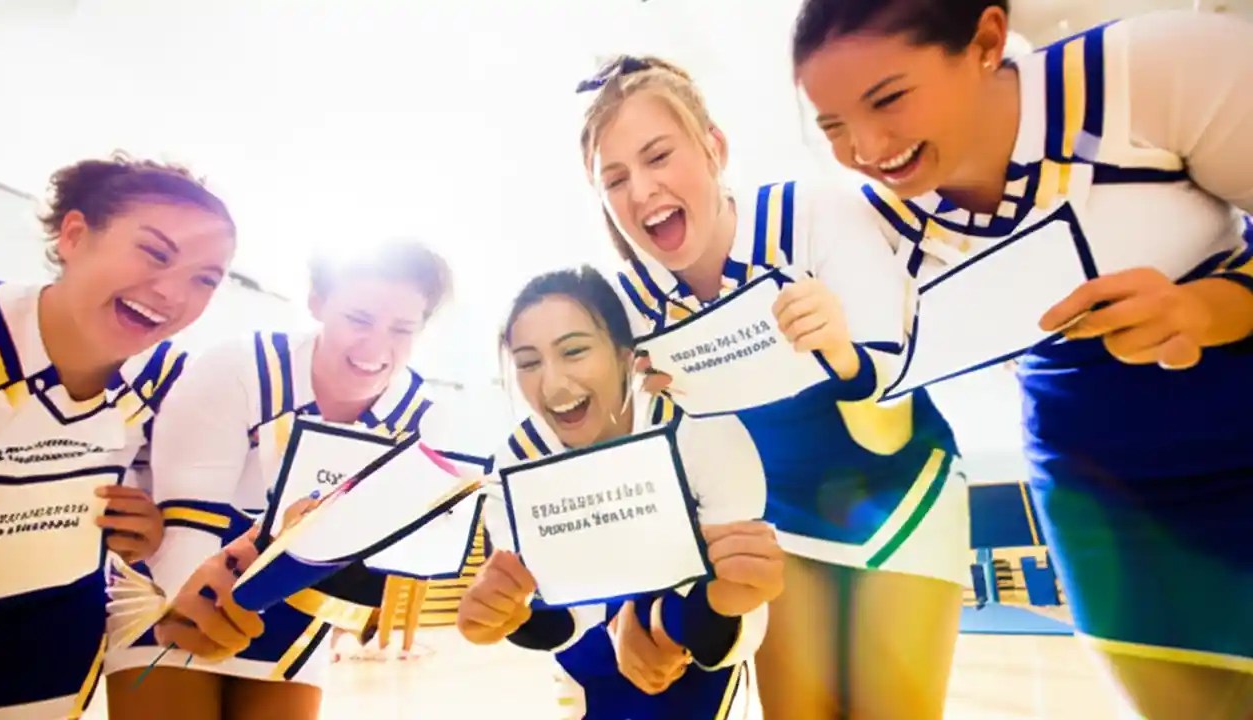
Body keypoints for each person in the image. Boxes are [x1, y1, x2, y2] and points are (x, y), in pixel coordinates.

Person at [790, 1, 1253, 717]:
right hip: (1099, 500)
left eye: (889, 98)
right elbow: (882, 420)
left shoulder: (1154, 71)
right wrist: (851, 370)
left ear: (986, 41)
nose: (866, 146)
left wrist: (1207, 308)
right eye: (833, 127)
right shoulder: (865, 228)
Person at [575, 55, 969, 718]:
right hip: (773, 525)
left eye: (659, 156)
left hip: (901, 493)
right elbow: (636, 479)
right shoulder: (628, 304)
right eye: (615, 178)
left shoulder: (809, 212)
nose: (641, 190)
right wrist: (629, 609)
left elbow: (892, 380)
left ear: (714, 147)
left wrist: (841, 353)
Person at [103, 238, 478, 720]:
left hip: (297, 617)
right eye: (359, 319)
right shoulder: (238, 368)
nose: (376, 347)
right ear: (318, 302)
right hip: (169, 590)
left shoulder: (422, 420)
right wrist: (198, 612)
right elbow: (186, 524)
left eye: (402, 328)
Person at [0, 154, 237, 719]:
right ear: (74, 235)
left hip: (50, 651)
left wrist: (151, 538)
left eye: (204, 279)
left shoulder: (167, 383)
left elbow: (167, 532)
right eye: (154, 252)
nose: (170, 291)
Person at [456, 266, 783, 719]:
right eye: (529, 363)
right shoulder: (516, 465)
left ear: (625, 356)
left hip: (701, 667)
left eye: (574, 351)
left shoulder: (701, 430)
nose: (552, 384)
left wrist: (668, 621)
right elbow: (560, 620)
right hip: (589, 676)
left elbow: (728, 616)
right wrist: (507, 613)